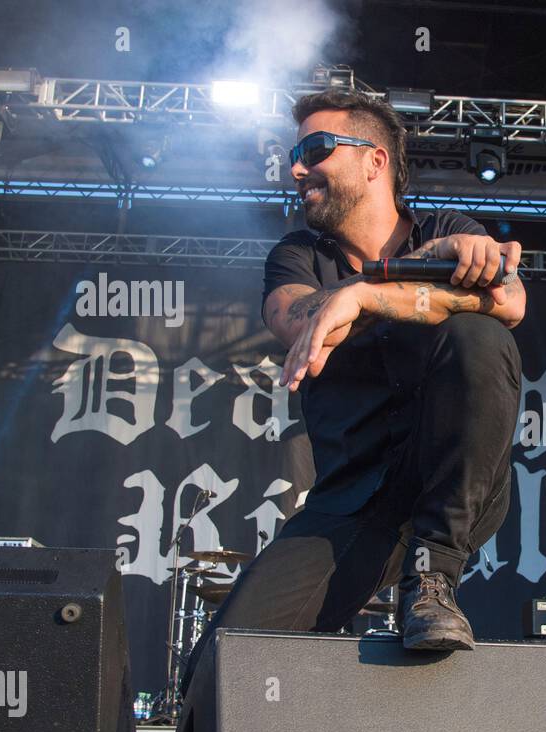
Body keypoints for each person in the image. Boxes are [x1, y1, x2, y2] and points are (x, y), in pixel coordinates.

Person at [181, 88, 526, 696]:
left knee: (480, 334)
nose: (297, 168)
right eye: (296, 153)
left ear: (375, 162)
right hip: (351, 504)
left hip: (449, 490)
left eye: (316, 150)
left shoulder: (450, 229)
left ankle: (434, 575)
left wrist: (364, 295)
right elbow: (295, 319)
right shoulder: (296, 257)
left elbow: (510, 302)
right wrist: (393, 284)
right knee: (216, 672)